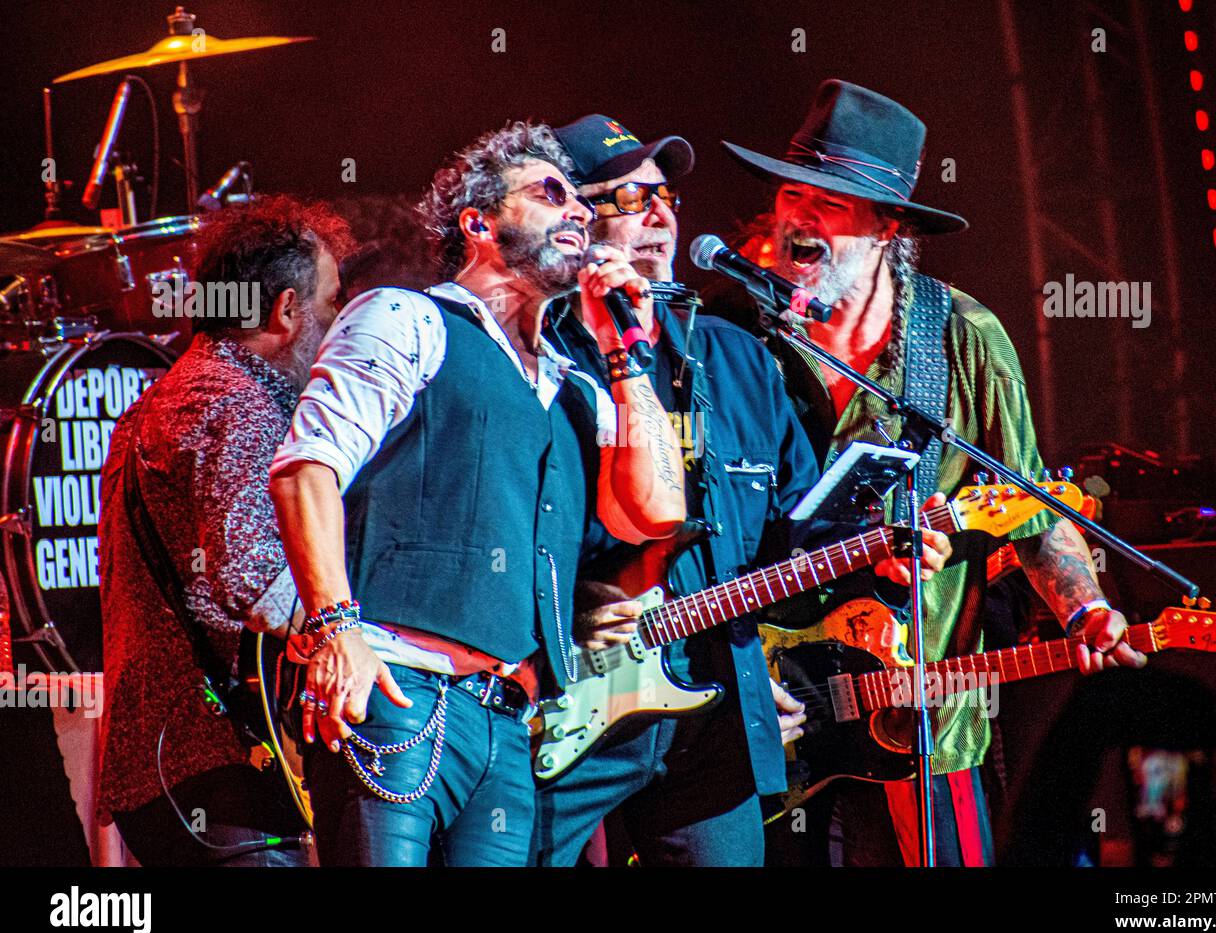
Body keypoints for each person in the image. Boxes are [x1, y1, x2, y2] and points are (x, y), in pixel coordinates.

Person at [711, 79, 1146, 866]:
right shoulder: (733, 333)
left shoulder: (963, 340)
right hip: (762, 714)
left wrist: (1085, 610)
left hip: (915, 723)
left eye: (829, 205)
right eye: (789, 194)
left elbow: (1035, 515)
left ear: (888, 226)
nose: (797, 219)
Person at [533, 114, 950, 866]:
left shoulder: (741, 359)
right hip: (571, 706)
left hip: (716, 707)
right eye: (630, 201)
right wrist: (559, 610)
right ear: (572, 221)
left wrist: (871, 558)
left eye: (665, 197)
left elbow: (787, 547)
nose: (661, 215)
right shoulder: (538, 351)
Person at [268, 121, 685, 867]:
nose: (579, 215)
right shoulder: (407, 318)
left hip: (508, 724)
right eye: (549, 195)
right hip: (397, 696)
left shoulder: (574, 387)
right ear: (480, 222)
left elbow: (655, 511)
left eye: (581, 206)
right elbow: (307, 468)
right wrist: (337, 632)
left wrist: (630, 357)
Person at [98, 196, 354, 866]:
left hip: (171, 765)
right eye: (329, 307)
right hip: (216, 766)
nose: (334, 328)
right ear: (286, 311)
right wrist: (366, 633)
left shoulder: (170, 394)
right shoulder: (231, 403)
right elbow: (256, 580)